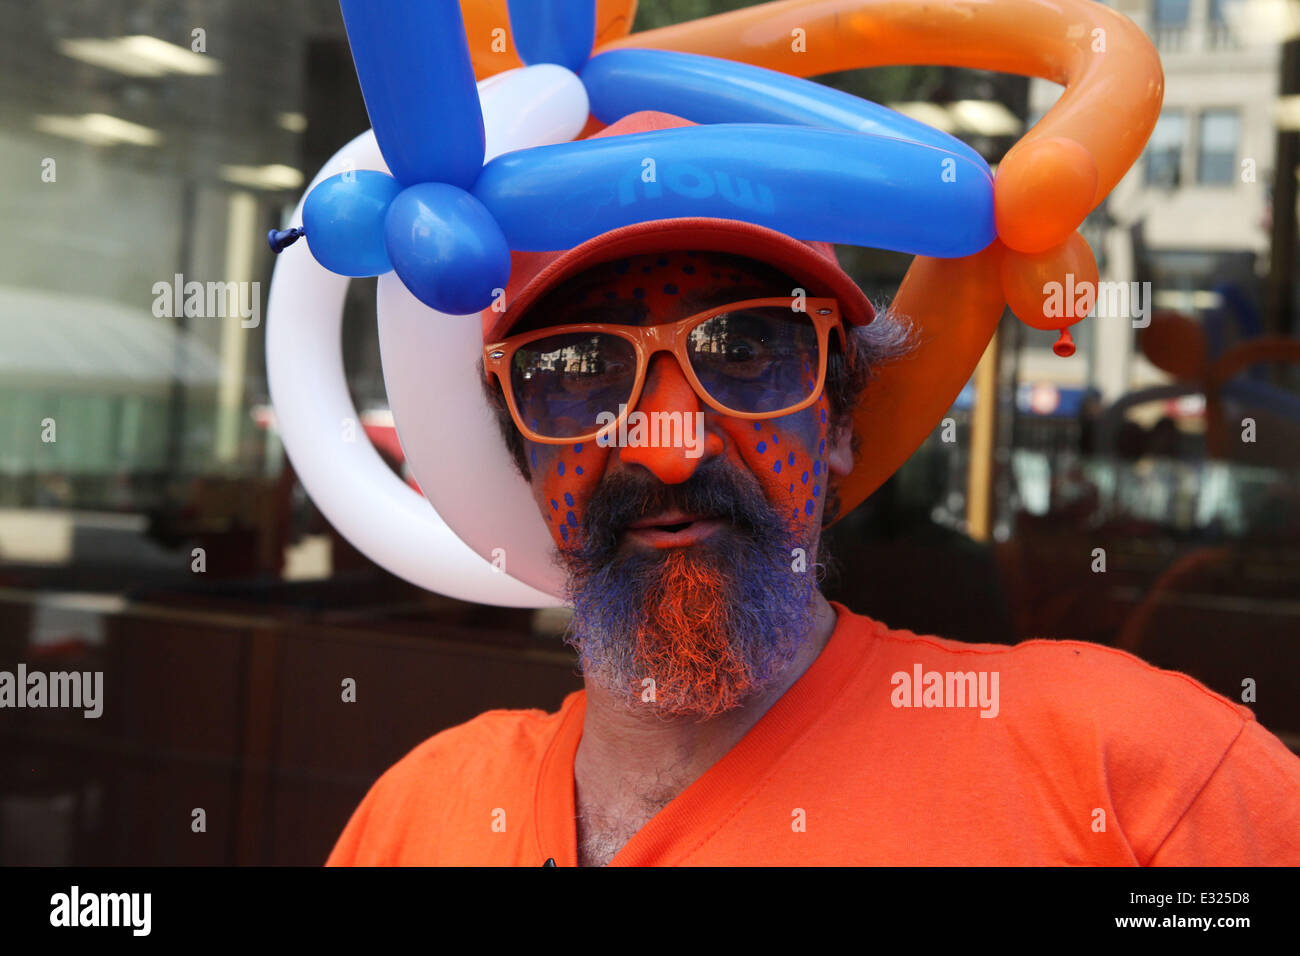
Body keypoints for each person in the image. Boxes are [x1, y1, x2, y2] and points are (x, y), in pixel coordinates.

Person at [326, 112, 1300, 866]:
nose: (668, 448)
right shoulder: (419, 813)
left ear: (836, 422)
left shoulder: (1134, 775)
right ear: (520, 447)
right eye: (579, 368)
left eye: (747, 350)